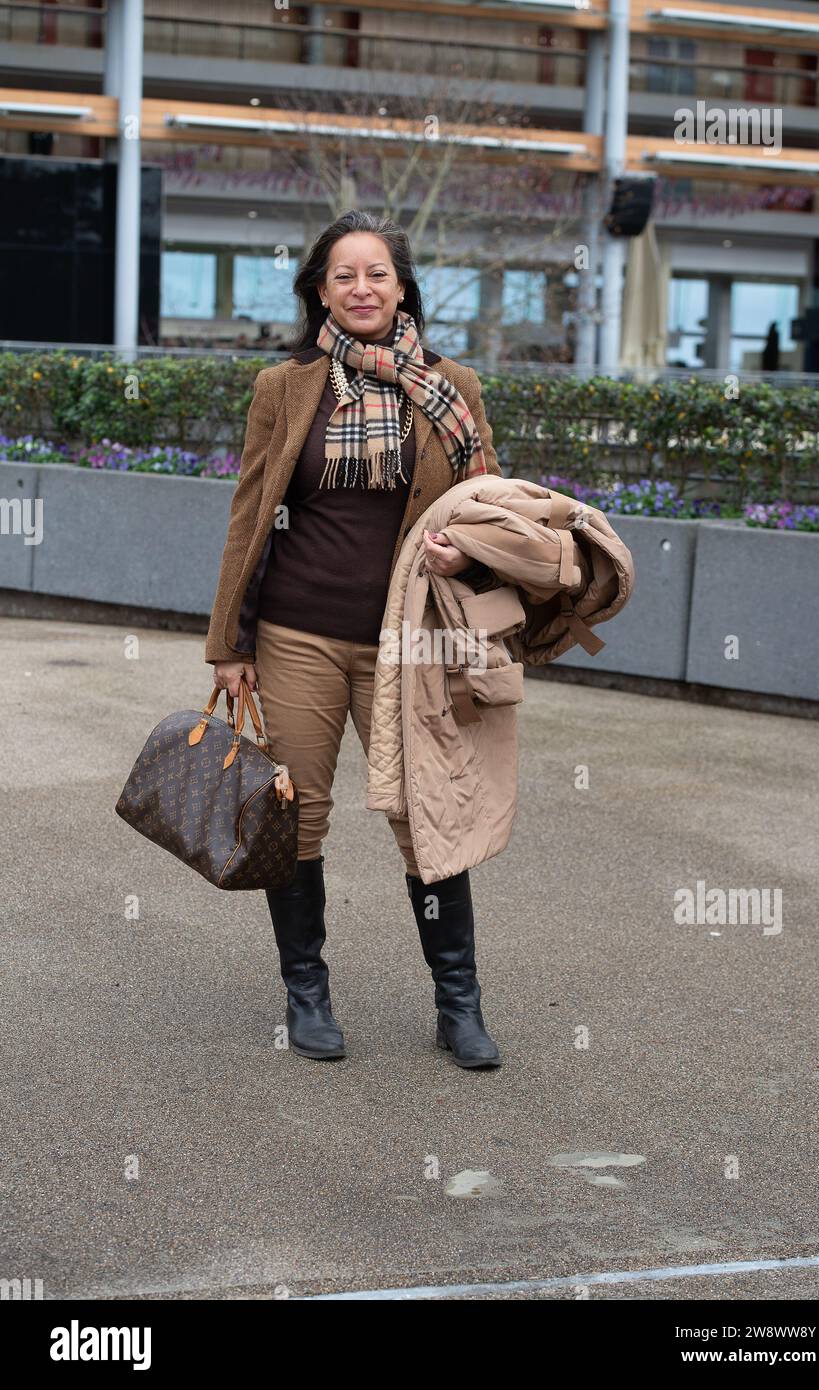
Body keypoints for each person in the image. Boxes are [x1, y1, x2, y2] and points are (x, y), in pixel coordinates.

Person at [206, 210, 503, 1069]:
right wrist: (228, 640)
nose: (362, 288)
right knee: (295, 814)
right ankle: (308, 995)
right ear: (319, 290)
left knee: (428, 821)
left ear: (402, 286)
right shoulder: (284, 387)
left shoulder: (454, 386)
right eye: (344, 275)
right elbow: (249, 515)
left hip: (410, 639)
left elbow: (493, 504)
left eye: (377, 273)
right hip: (296, 632)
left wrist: (468, 546)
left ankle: (459, 1007)